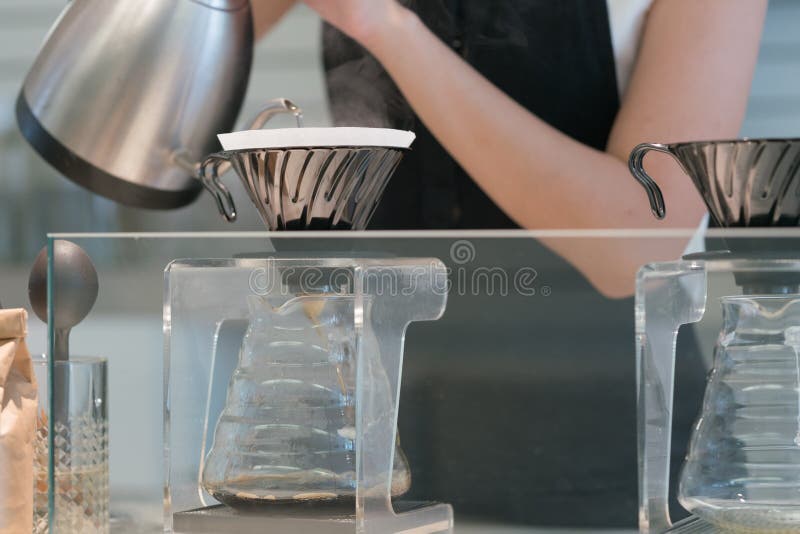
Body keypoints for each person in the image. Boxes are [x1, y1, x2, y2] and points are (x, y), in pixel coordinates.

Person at [253, 0, 767, 527]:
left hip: (614, 467)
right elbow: (186, 36)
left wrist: (383, 26)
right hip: (378, 453)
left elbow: (635, 243)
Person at [255, 0, 766, 298]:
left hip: (616, 419)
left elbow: (638, 244)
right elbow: (199, 27)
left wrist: (385, 27)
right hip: (382, 399)